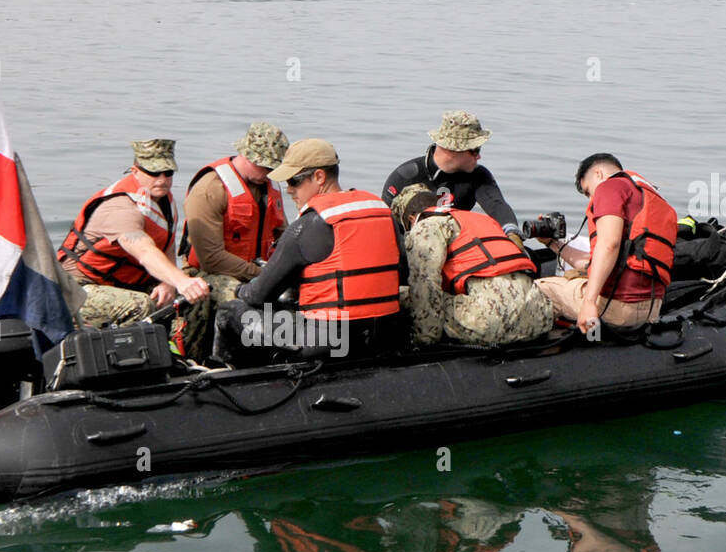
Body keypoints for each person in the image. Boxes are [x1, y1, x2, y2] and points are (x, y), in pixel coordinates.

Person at [215, 139, 406, 365]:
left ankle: (234, 379)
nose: (289, 190)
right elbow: (402, 272)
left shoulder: (306, 226)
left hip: (330, 343)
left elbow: (259, 295)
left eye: (294, 181)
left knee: (229, 312)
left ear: (319, 177)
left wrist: (240, 290)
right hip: (384, 335)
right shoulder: (382, 212)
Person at [57, 139, 208, 327]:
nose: (162, 179)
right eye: (153, 172)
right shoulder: (120, 207)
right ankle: (128, 354)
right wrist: (180, 280)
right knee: (140, 305)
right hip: (78, 289)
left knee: (194, 300)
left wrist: (169, 283)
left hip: (126, 284)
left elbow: (167, 248)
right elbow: (144, 251)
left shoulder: (164, 201)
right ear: (135, 171)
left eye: (167, 172)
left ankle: (187, 353)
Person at [177, 122, 290, 360]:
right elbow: (211, 259)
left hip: (257, 271)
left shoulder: (269, 185)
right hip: (207, 274)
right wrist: (262, 276)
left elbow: (284, 236)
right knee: (242, 300)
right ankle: (200, 359)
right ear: (248, 156)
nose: (269, 173)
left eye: (273, 168)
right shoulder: (210, 187)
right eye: (265, 166)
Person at [391, 183, 554, 346]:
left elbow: (425, 284)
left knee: (405, 294)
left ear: (412, 220)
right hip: (540, 317)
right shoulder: (481, 219)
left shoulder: (425, 226)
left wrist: (425, 340)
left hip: (492, 321)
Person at [534, 153, 677, 336]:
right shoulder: (645, 194)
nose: (590, 198)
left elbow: (610, 245)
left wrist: (589, 302)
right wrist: (553, 244)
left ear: (598, 174)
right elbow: (593, 262)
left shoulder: (609, 187)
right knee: (577, 278)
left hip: (618, 307)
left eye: (587, 191)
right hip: (651, 309)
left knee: (540, 288)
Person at [382, 110, 520, 236]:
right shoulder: (405, 177)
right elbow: (387, 227)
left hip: (459, 248)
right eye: (475, 150)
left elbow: (497, 205)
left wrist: (512, 232)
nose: (478, 157)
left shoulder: (478, 175)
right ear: (452, 150)